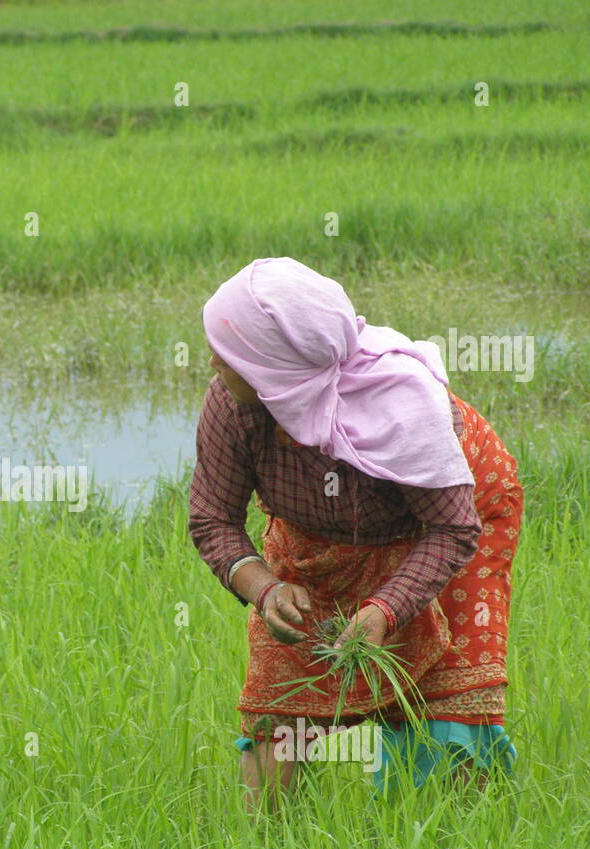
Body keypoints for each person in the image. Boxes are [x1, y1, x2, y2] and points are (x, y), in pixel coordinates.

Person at [189, 257, 522, 811]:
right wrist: (265, 589)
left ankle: (452, 846)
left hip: (448, 522)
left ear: (279, 371)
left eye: (231, 356)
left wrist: (385, 609)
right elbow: (213, 518)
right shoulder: (234, 402)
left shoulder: (404, 407)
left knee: (446, 702)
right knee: (281, 702)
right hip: (317, 531)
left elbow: (451, 527)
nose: (212, 362)